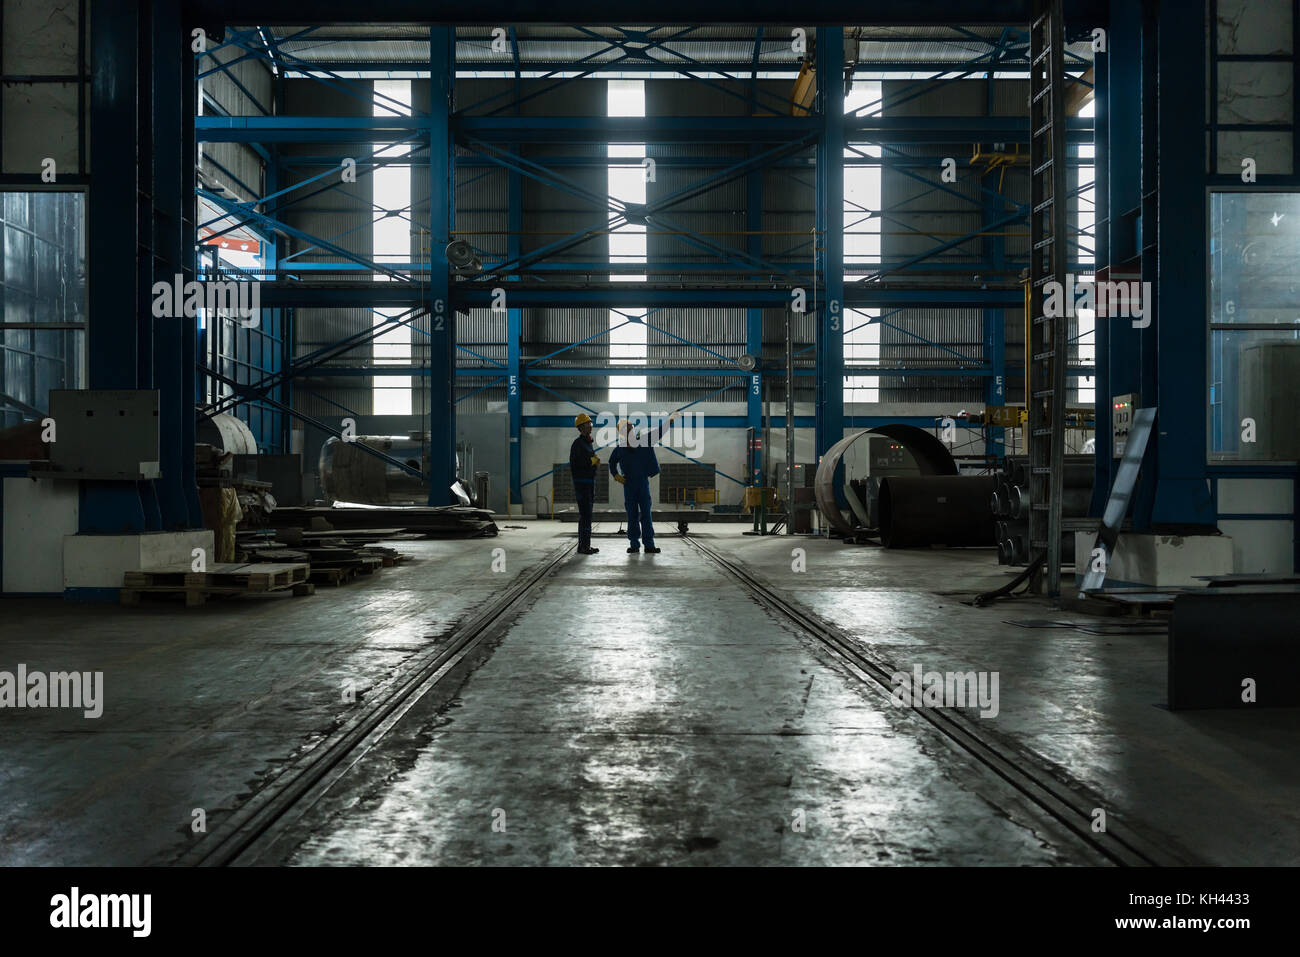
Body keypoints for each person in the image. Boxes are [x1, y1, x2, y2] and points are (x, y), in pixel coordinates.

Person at [608, 411, 679, 554]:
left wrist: (669, 421)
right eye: (626, 429)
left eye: (630, 428)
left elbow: (658, 432)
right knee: (632, 515)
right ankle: (634, 544)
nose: (629, 430)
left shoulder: (643, 441)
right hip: (629, 485)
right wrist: (616, 475)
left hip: (642, 483)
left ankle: (649, 544)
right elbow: (611, 462)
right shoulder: (620, 449)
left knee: (646, 514)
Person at [569, 413, 600, 555]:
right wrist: (591, 462)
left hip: (589, 483)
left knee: (588, 515)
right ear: (581, 427)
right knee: (585, 515)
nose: (590, 425)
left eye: (590, 423)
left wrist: (594, 462)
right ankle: (583, 546)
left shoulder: (587, 443)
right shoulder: (578, 444)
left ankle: (586, 545)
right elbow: (577, 464)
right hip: (582, 484)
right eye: (588, 424)